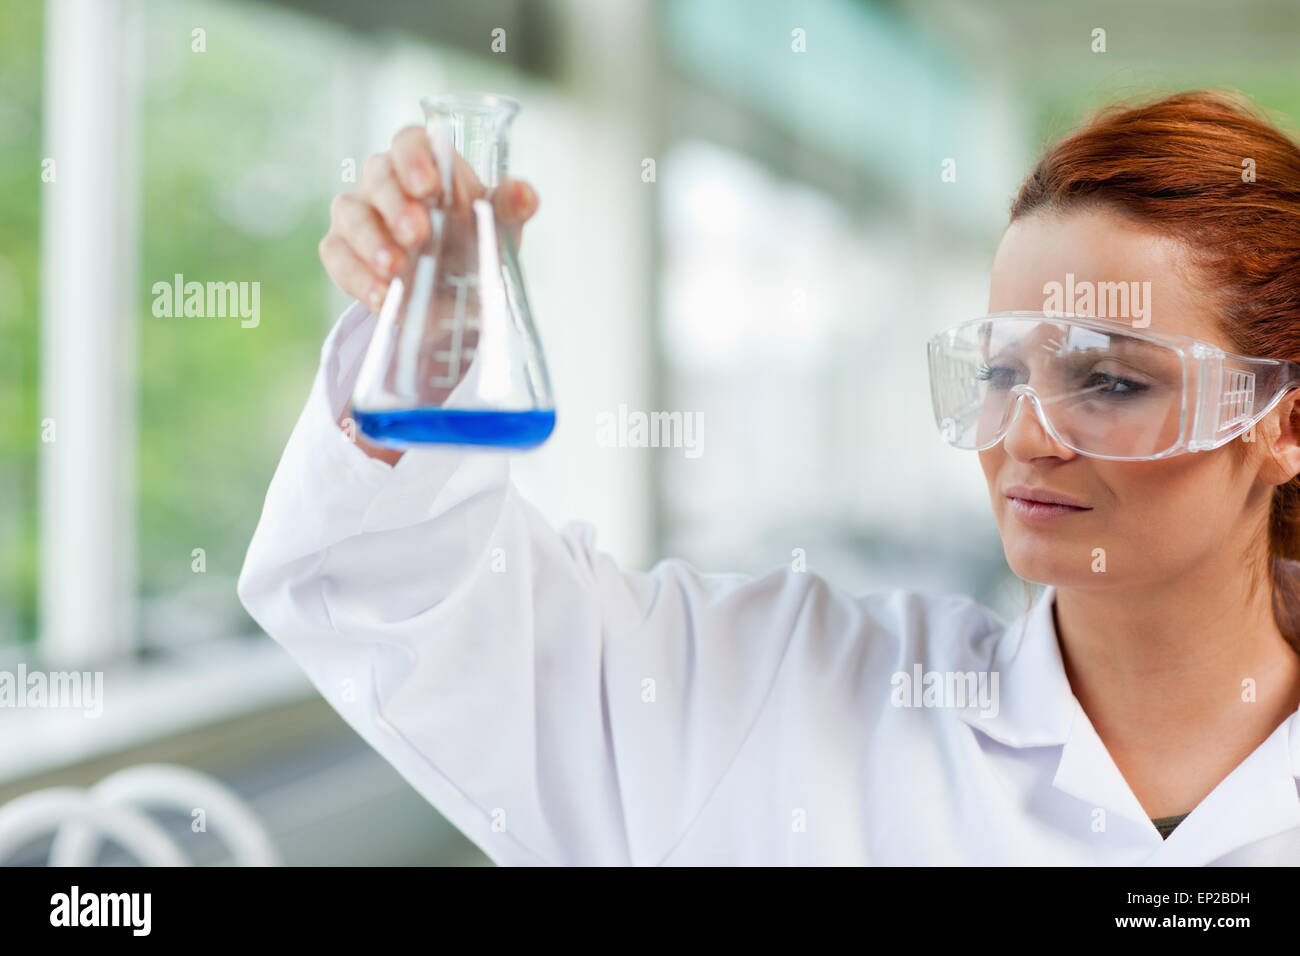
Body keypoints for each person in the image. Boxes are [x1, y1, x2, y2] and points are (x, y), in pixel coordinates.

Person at [238, 89, 1300, 864]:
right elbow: (391, 592)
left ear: (1281, 419)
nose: (1025, 435)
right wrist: (424, 337)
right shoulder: (776, 697)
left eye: (1107, 381)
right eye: (997, 371)